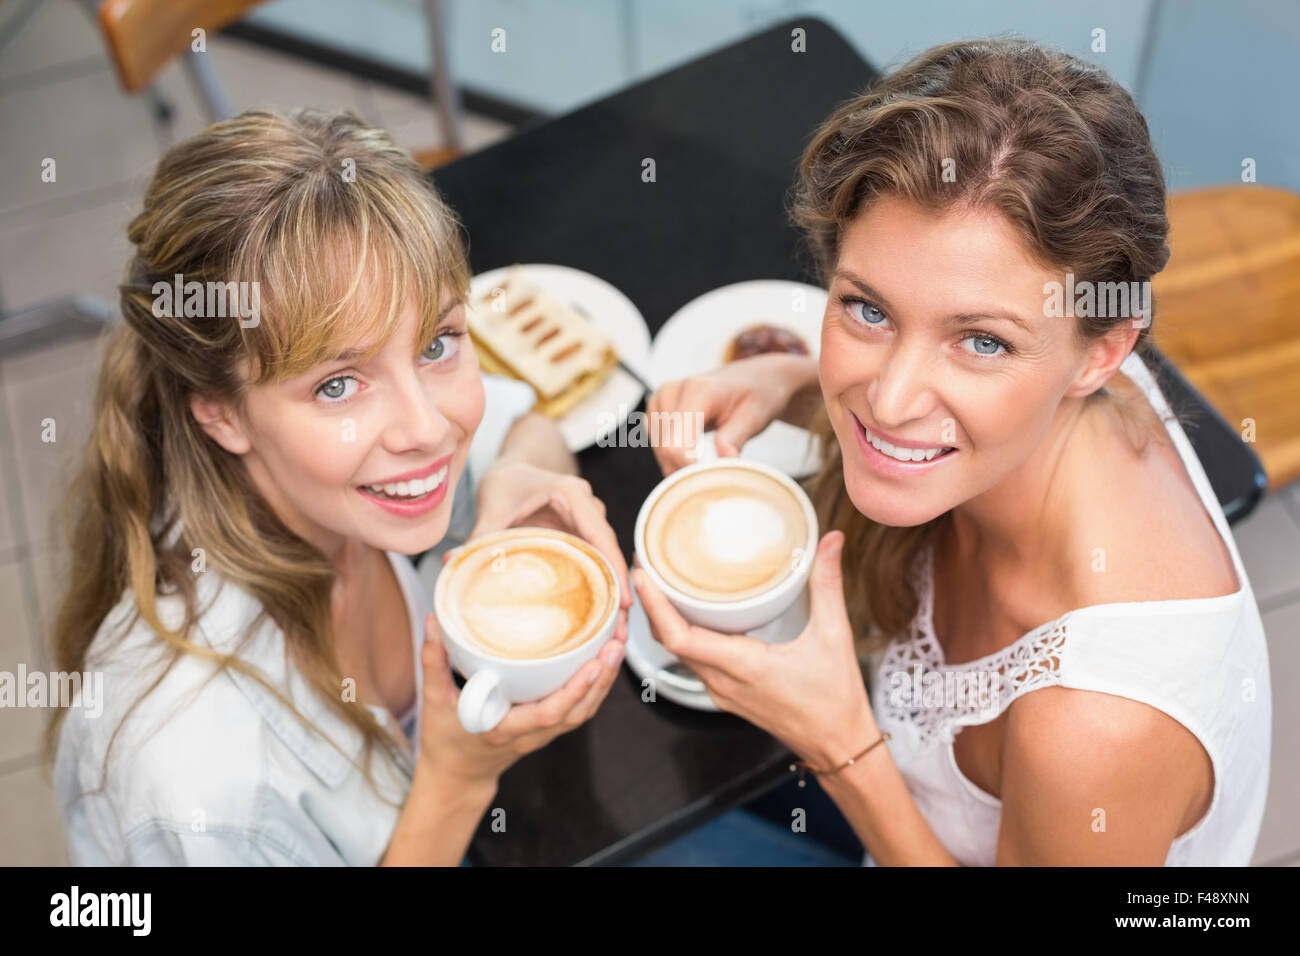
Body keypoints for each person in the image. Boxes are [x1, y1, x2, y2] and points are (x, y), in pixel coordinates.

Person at [637, 38, 1271, 865]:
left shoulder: (1094, 726)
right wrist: (794, 382)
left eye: (981, 341)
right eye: (868, 310)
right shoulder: (1059, 362)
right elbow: (933, 395)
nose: (892, 400)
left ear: (1102, 353)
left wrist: (842, 748)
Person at [46, 108, 631, 866]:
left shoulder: (350, 477)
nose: (427, 428)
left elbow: (531, 430)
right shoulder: (198, 784)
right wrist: (456, 782)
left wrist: (524, 473)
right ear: (221, 413)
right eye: (337, 386)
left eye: (437, 343)